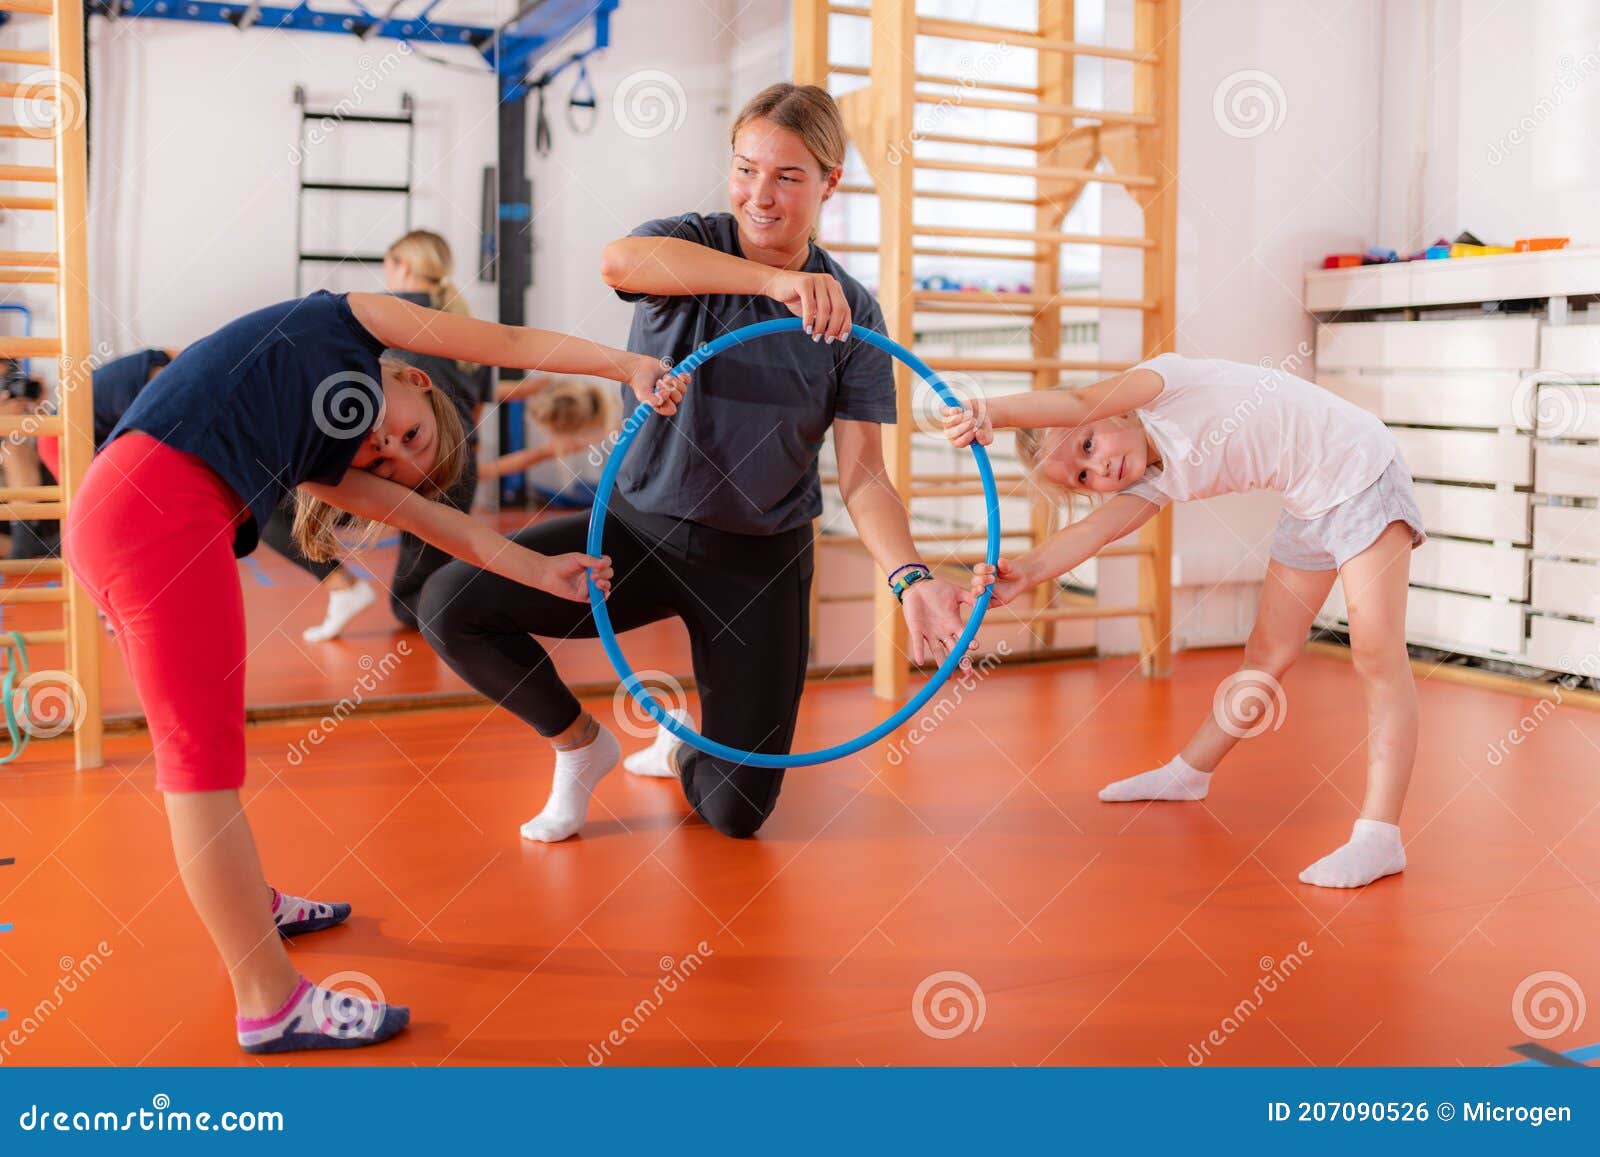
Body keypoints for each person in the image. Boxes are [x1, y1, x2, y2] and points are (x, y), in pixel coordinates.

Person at [63, 289, 684, 1053]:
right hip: (153, 508)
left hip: (125, 509)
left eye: (389, 461)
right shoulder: (350, 319)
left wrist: (538, 569)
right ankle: (268, 1003)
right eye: (409, 433)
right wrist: (622, 361)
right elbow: (507, 339)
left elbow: (431, 520)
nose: (385, 443)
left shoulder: (320, 458)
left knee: (203, 753)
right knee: (199, 766)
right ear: (417, 379)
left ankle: (249, 904)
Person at [420, 83, 975, 845]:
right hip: (636, 536)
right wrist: (776, 281)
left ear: (829, 182)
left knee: (735, 814)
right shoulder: (687, 242)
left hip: (761, 563)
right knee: (452, 603)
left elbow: (865, 477)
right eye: (747, 169)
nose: (762, 195)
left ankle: (683, 746)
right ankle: (582, 746)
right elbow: (620, 259)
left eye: (788, 176)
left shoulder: (853, 312)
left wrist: (909, 576)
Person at [942, 351, 1424, 888]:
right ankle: (1188, 773)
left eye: (1088, 444)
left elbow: (1078, 400)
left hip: (1361, 472)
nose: (1098, 467)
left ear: (1116, 413)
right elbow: (1094, 532)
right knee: (1266, 652)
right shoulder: (1158, 477)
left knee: (1375, 651)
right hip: (1309, 503)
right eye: (1082, 476)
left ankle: (1379, 836)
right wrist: (1026, 571)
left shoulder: (1165, 384)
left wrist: (989, 412)